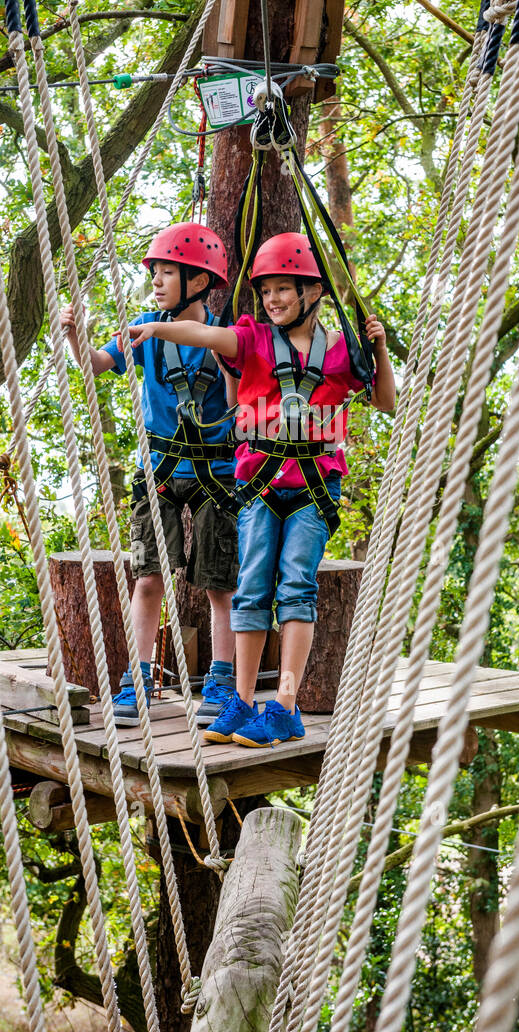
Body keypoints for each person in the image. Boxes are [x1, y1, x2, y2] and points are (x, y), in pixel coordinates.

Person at [120, 231, 395, 748]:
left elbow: (384, 401)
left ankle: (284, 704)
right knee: (249, 591)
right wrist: (155, 326)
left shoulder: (340, 349)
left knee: (295, 590)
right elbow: (206, 338)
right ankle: (243, 702)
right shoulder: (251, 339)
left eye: (283, 290)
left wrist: (377, 348)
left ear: (312, 292)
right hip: (260, 487)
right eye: (266, 291)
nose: (272, 300)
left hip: (313, 488)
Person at [60, 222, 239, 728]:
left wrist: (226, 362)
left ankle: (222, 684)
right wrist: (77, 336)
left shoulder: (225, 336)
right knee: (148, 579)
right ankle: (135, 683)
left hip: (214, 470)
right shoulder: (142, 326)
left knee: (217, 584)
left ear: (199, 282)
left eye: (167, 274)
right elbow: (96, 364)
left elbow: (234, 400)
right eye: (155, 273)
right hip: (159, 468)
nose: (156, 282)